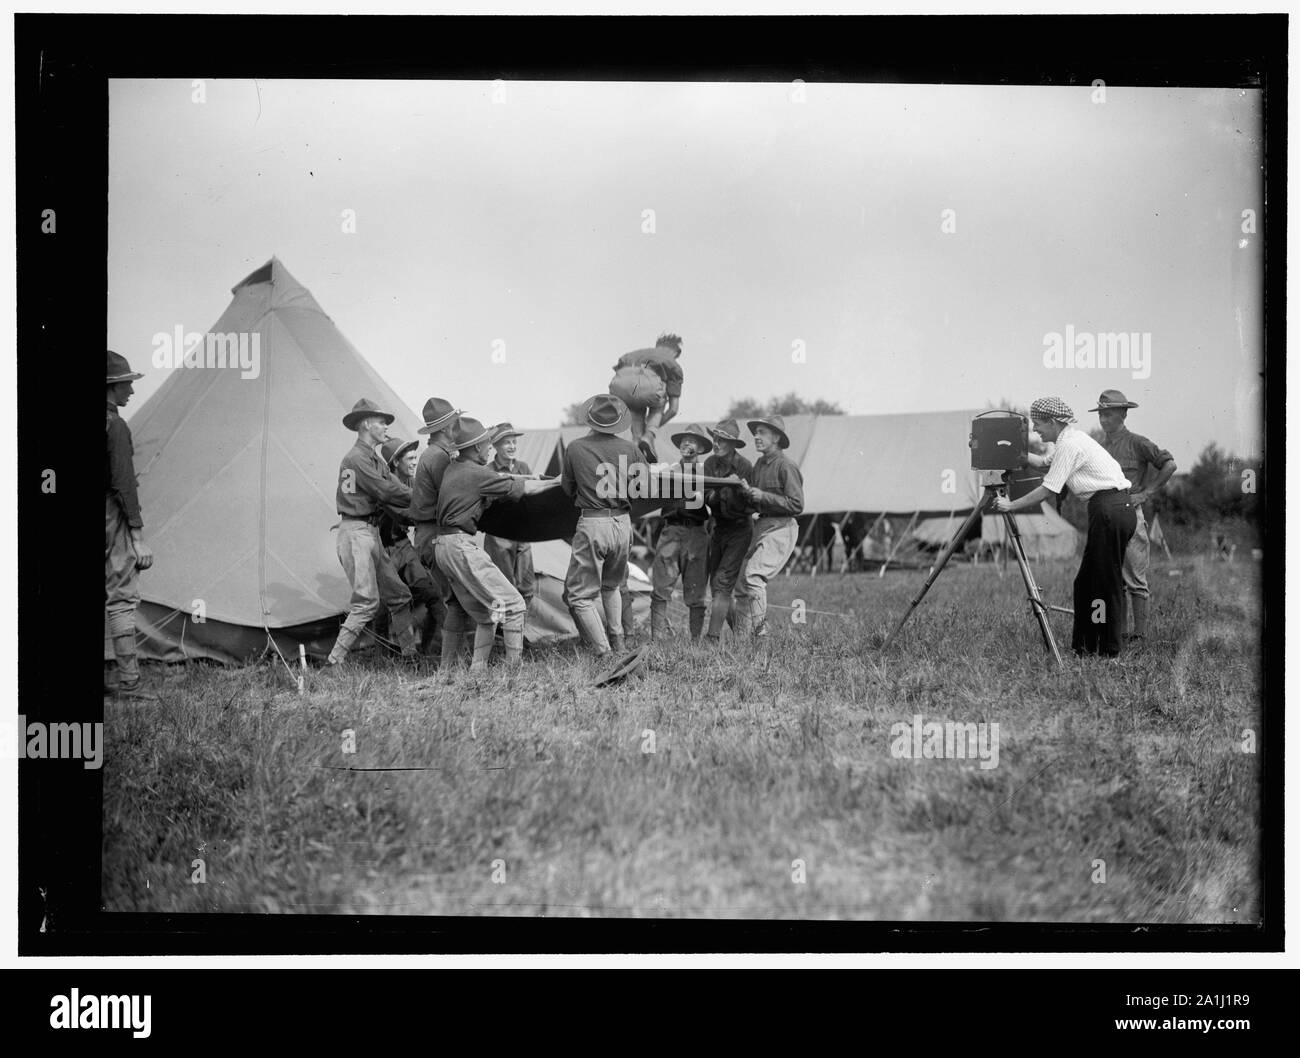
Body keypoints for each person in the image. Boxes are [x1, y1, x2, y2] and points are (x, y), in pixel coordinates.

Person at [994, 397, 1136, 658]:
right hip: (1111, 510)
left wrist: (1010, 506)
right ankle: (1086, 647)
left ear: (1053, 421)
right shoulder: (1068, 441)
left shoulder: (1070, 444)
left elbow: (1048, 489)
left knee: (1105, 583)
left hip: (1110, 510)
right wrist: (1008, 450)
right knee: (1087, 583)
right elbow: (1043, 464)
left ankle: (1108, 650)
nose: (1036, 430)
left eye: (1038, 425)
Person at [430, 417, 528, 671]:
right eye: (487, 444)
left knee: (486, 615)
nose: (490, 448)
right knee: (515, 605)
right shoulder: (478, 473)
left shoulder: (454, 468)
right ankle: (514, 671)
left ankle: (474, 671)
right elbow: (522, 488)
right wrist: (554, 482)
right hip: (460, 545)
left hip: (443, 545)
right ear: (475, 448)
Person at [326, 399, 419, 666]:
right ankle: (334, 662)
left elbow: (391, 486)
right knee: (366, 603)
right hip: (356, 533)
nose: (386, 427)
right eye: (382, 422)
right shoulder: (357, 458)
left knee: (399, 595)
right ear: (367, 424)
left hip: (369, 532)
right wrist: (422, 499)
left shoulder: (371, 457)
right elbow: (388, 491)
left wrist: (421, 501)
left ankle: (409, 656)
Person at [560, 393, 644, 655]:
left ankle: (603, 651)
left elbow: (567, 487)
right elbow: (640, 489)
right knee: (612, 585)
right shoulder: (631, 448)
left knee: (578, 596)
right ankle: (617, 640)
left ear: (591, 420)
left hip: (594, 522)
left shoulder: (575, 447)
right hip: (623, 523)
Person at [1091, 390, 1177, 641]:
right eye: (1101, 414)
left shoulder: (1138, 442)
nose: (1104, 420)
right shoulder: (1098, 447)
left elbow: (1169, 464)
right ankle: (1119, 634)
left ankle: (1140, 637)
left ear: (1123, 414)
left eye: (1109, 414)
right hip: (1105, 519)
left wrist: (1147, 493)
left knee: (1135, 580)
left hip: (1130, 516)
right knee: (1113, 581)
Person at [105, 350, 158, 700]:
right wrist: (137, 537)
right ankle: (129, 682)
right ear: (111, 388)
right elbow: (124, 485)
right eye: (126, 384)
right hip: (111, 517)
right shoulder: (115, 425)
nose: (131, 392)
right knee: (121, 598)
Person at [732, 414, 804, 640]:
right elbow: (756, 501)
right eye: (756, 433)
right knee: (742, 583)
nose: (756, 437)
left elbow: (797, 504)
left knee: (753, 577)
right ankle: (741, 641)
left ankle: (761, 634)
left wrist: (764, 495)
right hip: (762, 524)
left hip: (782, 527)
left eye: (762, 433)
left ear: (776, 438)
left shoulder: (786, 466)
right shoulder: (759, 465)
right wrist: (746, 492)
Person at [376, 435, 442, 655]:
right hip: (383, 549)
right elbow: (405, 516)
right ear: (396, 462)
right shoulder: (385, 485)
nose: (415, 462)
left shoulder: (413, 482)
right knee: (385, 606)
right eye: (410, 458)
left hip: (403, 545)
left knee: (432, 594)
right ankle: (384, 655)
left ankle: (431, 651)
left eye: (416, 457)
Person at [408, 397, 462, 659]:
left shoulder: (433, 454)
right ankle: (449, 658)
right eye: (455, 423)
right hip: (434, 534)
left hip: (427, 534)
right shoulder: (439, 458)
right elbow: (452, 497)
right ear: (446, 429)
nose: (458, 427)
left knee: (440, 597)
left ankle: (428, 651)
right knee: (449, 599)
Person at [648, 423, 713, 641]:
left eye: (692, 440)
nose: (686, 443)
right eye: (684, 440)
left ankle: (695, 640)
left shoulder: (708, 475)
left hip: (696, 534)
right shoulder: (668, 472)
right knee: (661, 587)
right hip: (671, 531)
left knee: (696, 590)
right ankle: (656, 638)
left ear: (701, 449)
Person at [701, 418, 755, 642]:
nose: (716, 443)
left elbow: (751, 503)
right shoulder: (709, 464)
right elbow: (705, 496)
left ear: (733, 445)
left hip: (740, 529)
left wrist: (739, 489)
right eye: (715, 438)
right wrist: (722, 487)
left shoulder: (745, 466)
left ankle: (712, 639)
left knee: (723, 582)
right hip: (718, 528)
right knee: (717, 586)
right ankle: (742, 635)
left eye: (722, 440)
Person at [482, 423, 537, 613]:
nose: (512, 446)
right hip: (499, 536)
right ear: (496, 446)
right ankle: (500, 632)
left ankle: (520, 633)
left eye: (514, 442)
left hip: (522, 533)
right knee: (502, 587)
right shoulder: (488, 471)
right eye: (507, 443)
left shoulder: (523, 467)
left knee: (527, 586)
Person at [608, 333, 684, 462]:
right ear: (675, 351)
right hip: (648, 386)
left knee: (635, 404)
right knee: (659, 398)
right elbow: (673, 409)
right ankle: (648, 437)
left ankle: (636, 441)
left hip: (620, 386)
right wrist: (651, 429)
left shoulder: (633, 353)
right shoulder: (672, 363)